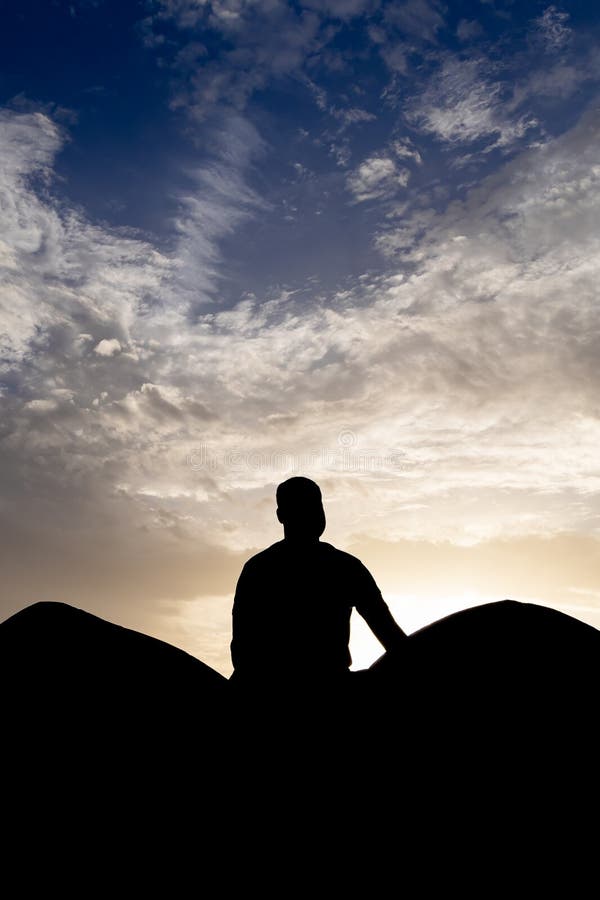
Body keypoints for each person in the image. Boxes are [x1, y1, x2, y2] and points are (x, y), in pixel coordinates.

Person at [230, 476, 406, 688]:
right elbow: (242, 652)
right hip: (291, 689)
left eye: (316, 505)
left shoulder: (347, 567)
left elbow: (392, 639)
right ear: (281, 516)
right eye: (302, 507)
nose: (311, 514)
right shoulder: (258, 570)